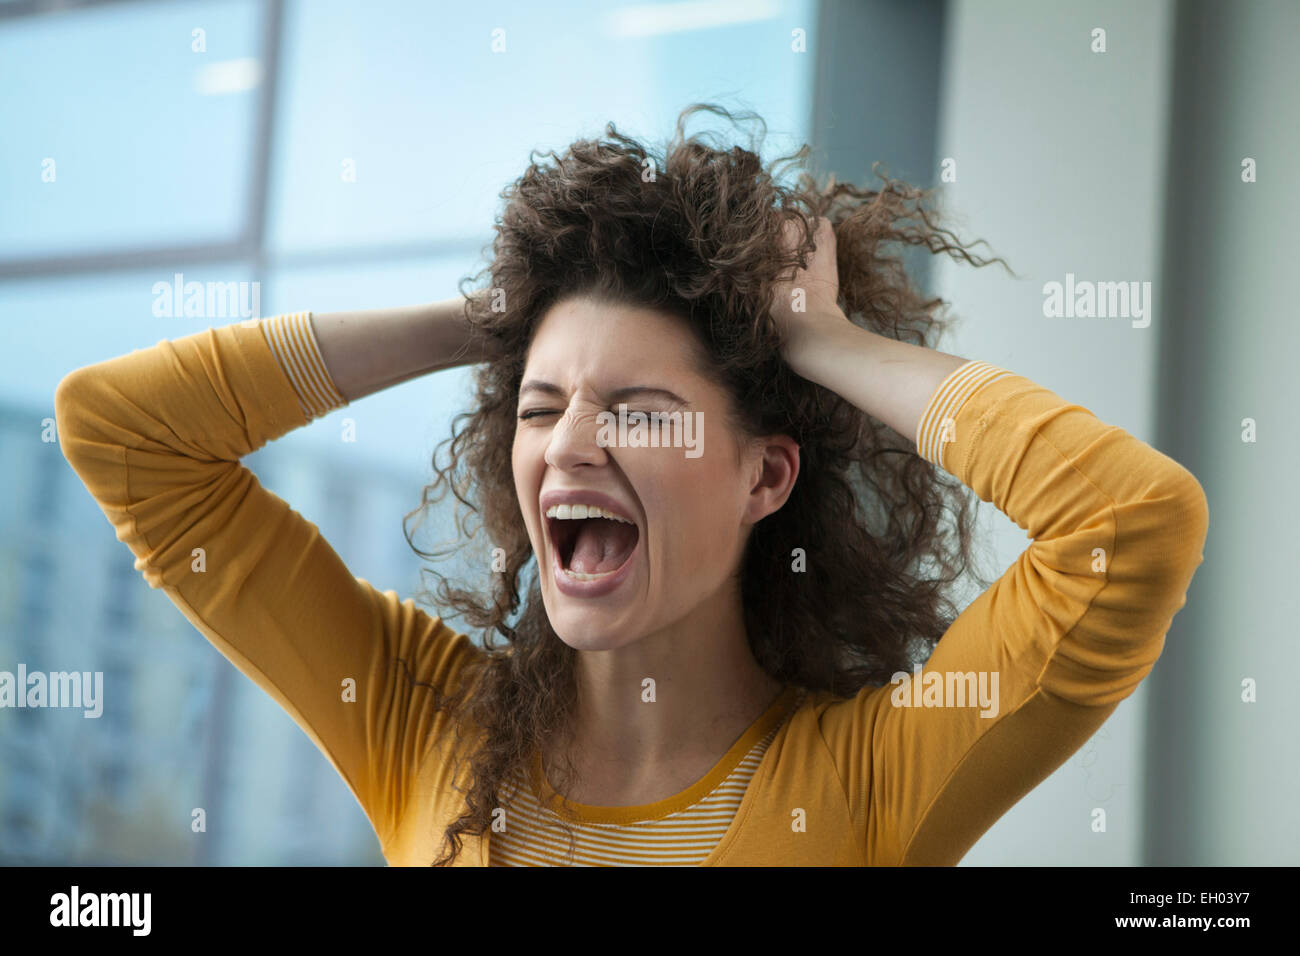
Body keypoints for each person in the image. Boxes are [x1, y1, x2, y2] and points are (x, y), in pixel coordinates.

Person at [54, 104, 1209, 866]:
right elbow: (120, 432)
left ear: (764, 474)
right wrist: (490, 320)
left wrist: (822, 343)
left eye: (638, 411)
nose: (568, 445)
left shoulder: (869, 779)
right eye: (541, 406)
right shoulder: (420, 720)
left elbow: (1130, 521)